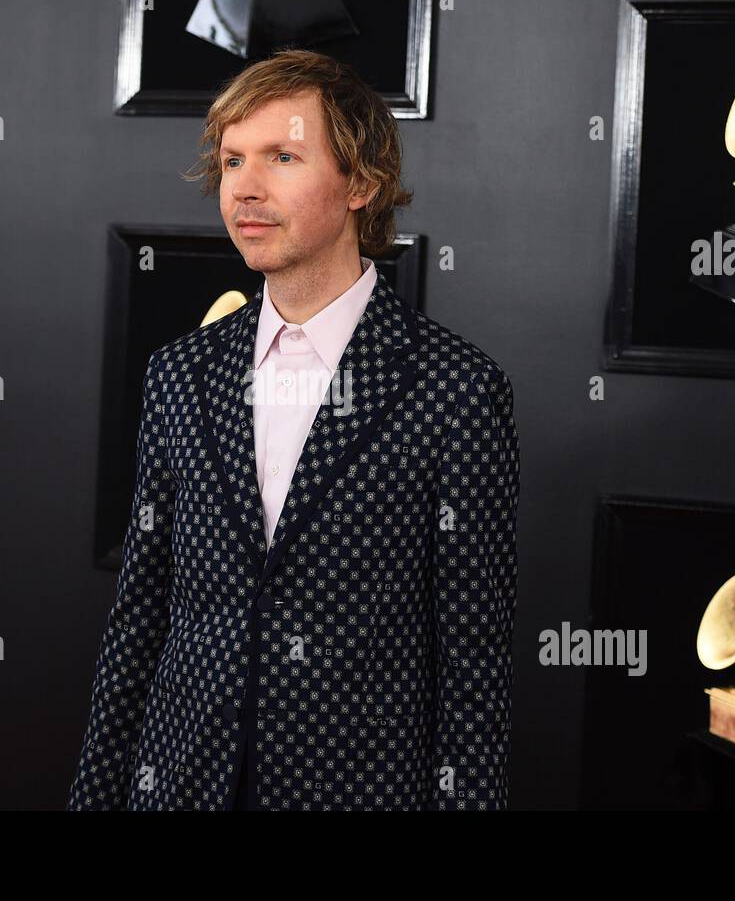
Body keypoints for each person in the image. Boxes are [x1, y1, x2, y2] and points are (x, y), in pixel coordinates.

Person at [68, 49, 518, 811]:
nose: (243, 186)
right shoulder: (180, 373)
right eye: (232, 159)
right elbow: (139, 620)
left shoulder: (457, 390)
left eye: (282, 156)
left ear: (363, 182)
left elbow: (474, 667)